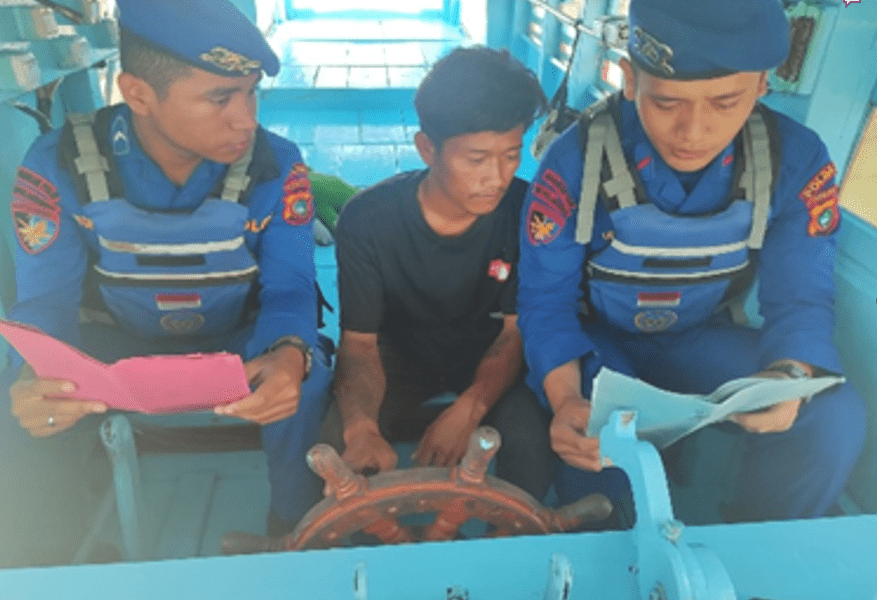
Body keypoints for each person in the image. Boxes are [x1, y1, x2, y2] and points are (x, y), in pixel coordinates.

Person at [517, 0, 866, 521]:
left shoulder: (795, 159)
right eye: (666, 102)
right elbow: (546, 303)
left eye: (726, 102)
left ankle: (759, 545)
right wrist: (566, 402)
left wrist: (788, 372)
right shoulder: (574, 162)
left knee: (833, 418)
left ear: (762, 85)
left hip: (701, 339)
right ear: (629, 79)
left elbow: (801, 295)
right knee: (600, 459)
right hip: (597, 346)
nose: (693, 132)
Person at [4, 0, 331, 536]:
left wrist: (289, 355)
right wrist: (34, 377)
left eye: (251, 93)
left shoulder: (277, 164)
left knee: (309, 382)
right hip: (114, 343)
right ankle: (46, 550)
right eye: (220, 98)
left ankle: (295, 531)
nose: (247, 119)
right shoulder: (58, 163)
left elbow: (291, 287)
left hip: (240, 342)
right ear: (138, 94)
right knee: (18, 402)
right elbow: (46, 301)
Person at [323, 47, 555, 501]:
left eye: (511, 155)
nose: (497, 177)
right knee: (338, 448)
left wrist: (471, 408)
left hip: (488, 353)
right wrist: (361, 427)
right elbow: (360, 343)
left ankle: (508, 552)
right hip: (399, 357)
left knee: (533, 450)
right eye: (476, 158)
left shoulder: (527, 214)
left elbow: (514, 334)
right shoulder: (367, 220)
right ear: (427, 148)